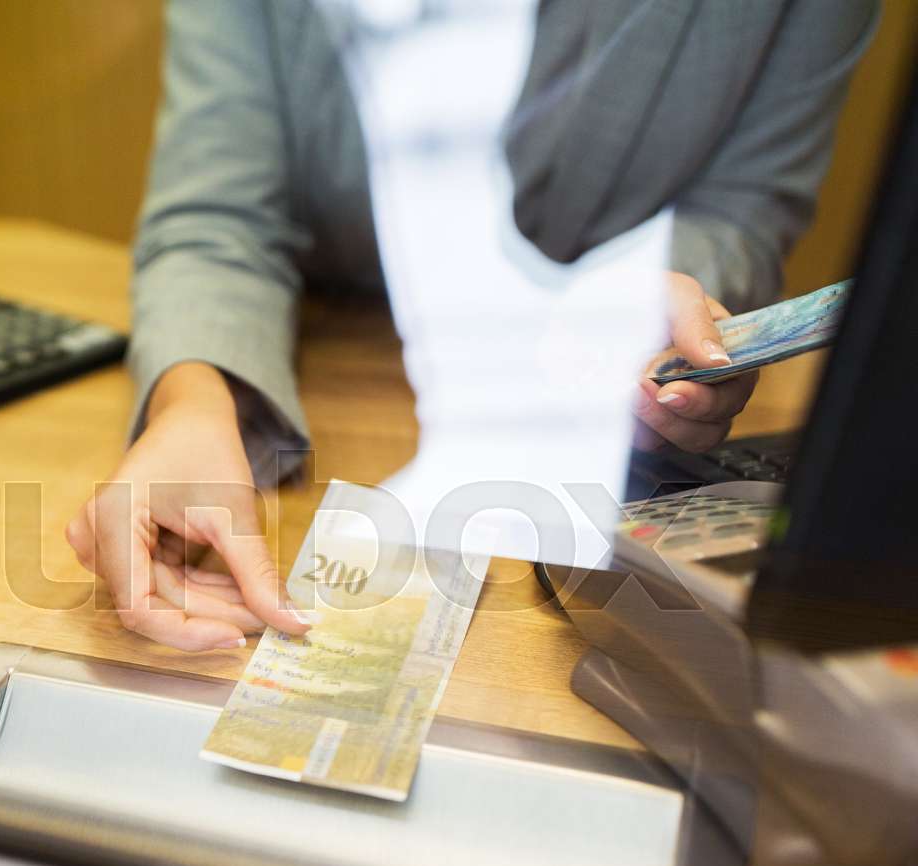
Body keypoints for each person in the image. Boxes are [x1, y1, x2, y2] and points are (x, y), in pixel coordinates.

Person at [66, 0, 879, 652]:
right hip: (339, 365)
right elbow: (216, 218)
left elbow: (738, 209)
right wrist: (192, 400)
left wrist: (662, 315)